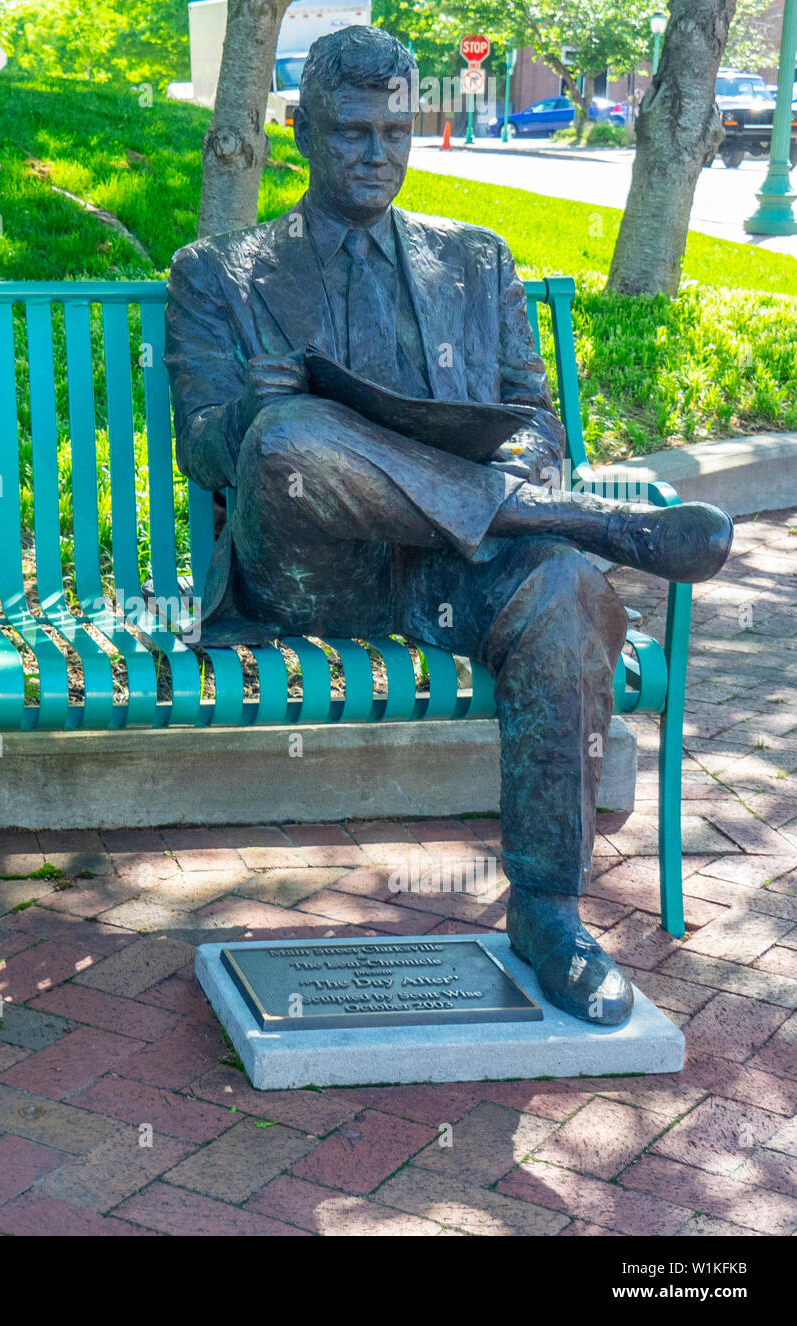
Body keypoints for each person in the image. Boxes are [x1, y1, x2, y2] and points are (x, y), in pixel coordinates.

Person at [164, 25, 733, 1026]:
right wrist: (255, 415)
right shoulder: (221, 272)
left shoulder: (473, 260)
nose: (374, 152)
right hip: (312, 572)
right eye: (349, 132)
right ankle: (588, 524)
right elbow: (206, 449)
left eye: (393, 129)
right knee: (292, 437)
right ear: (301, 131)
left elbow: (536, 421)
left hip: (452, 572)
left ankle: (549, 916)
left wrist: (515, 469)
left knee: (567, 590)